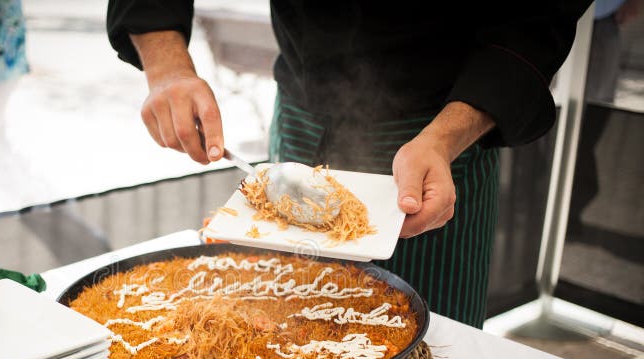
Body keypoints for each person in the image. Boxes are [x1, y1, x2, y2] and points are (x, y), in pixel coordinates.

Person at [106, 2, 592, 328]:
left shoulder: (444, 134)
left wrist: (445, 139)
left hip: (444, 127)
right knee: (285, 328)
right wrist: (167, 67)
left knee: (435, 345)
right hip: (300, 105)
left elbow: (537, 16)